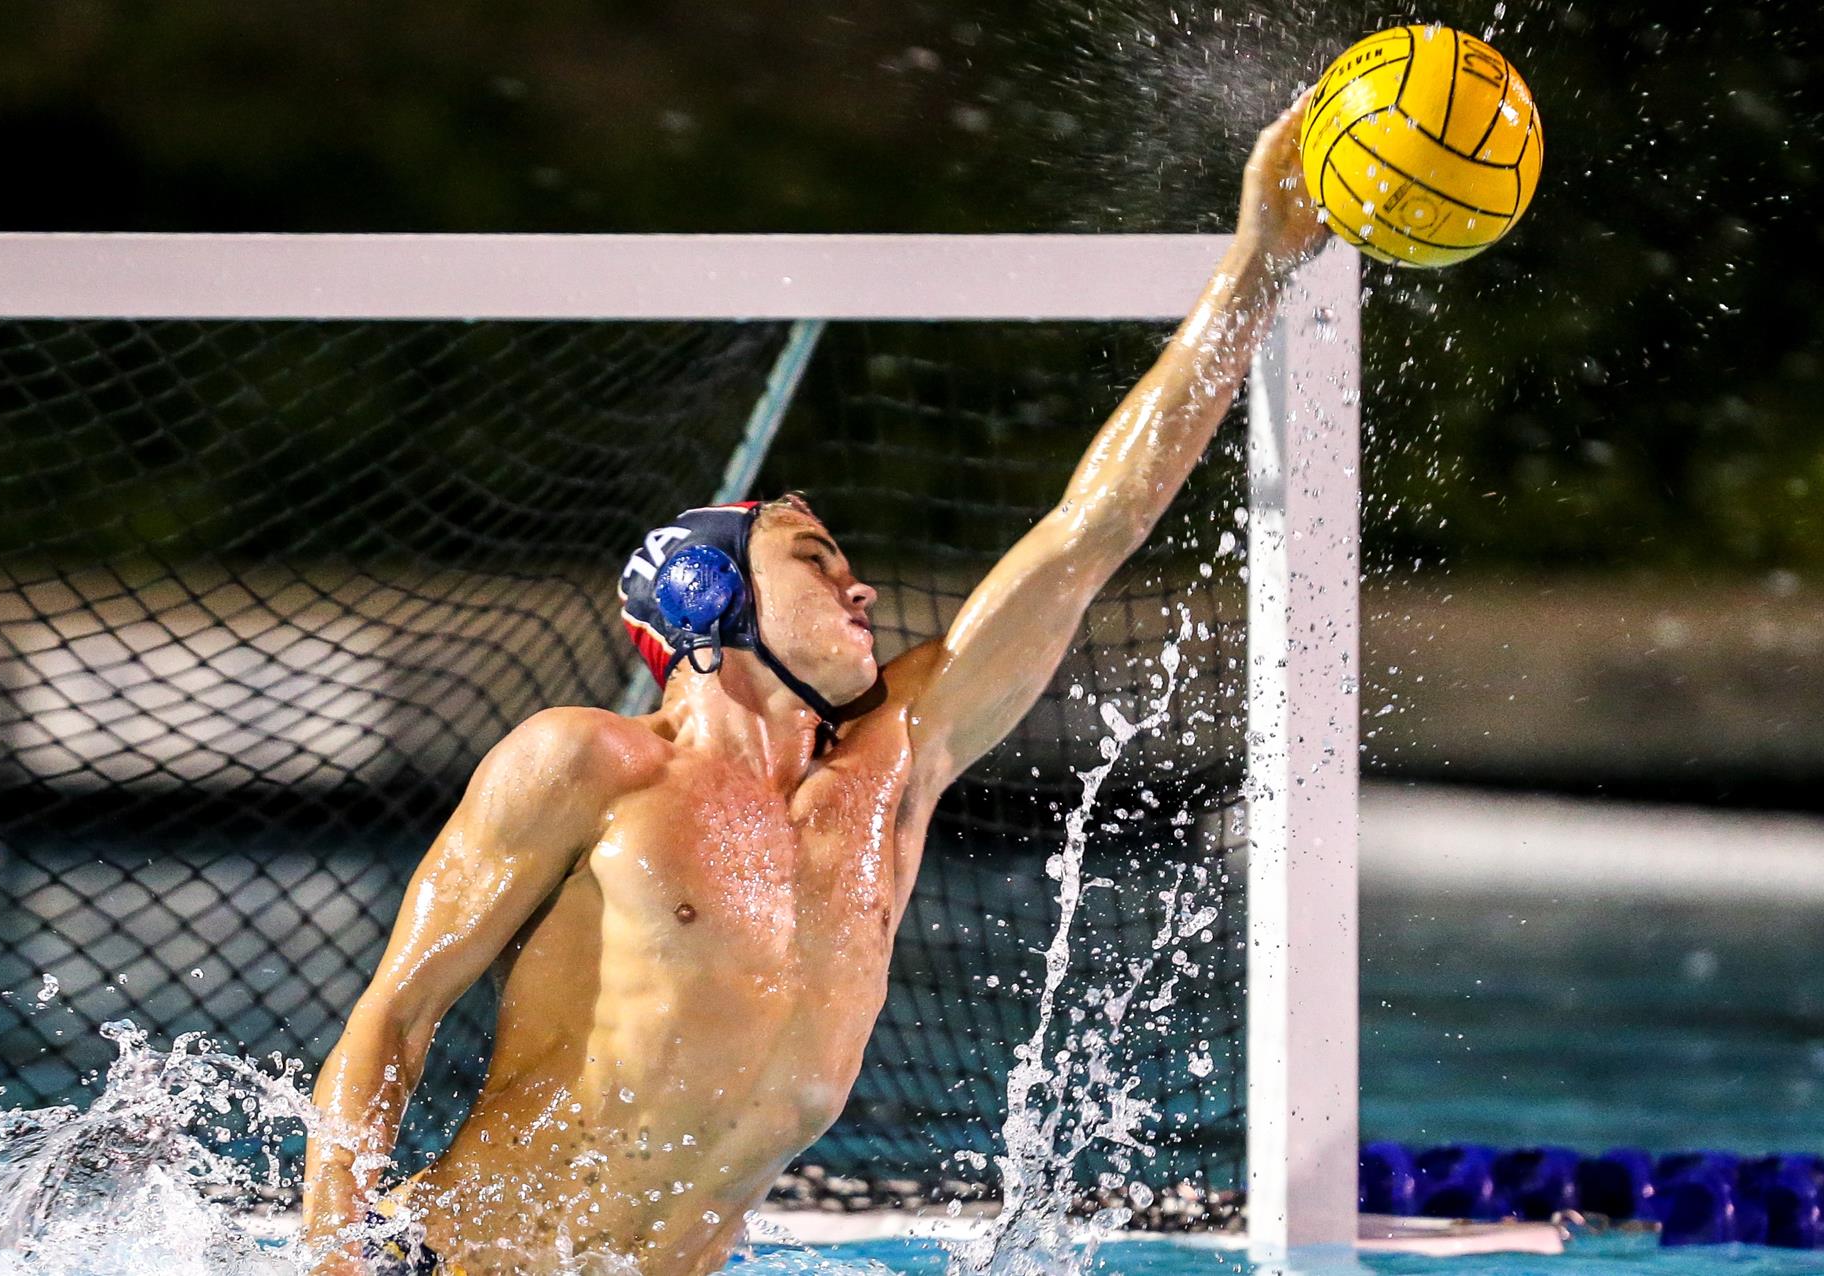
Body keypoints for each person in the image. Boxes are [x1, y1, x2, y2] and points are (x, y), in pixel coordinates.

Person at [302, 96, 1330, 1276]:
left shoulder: (898, 761)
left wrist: (1253, 266)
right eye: (815, 560)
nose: (858, 588)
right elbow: (394, 1012)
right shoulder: (588, 763)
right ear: (705, 602)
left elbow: (1089, 529)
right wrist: (335, 1260)